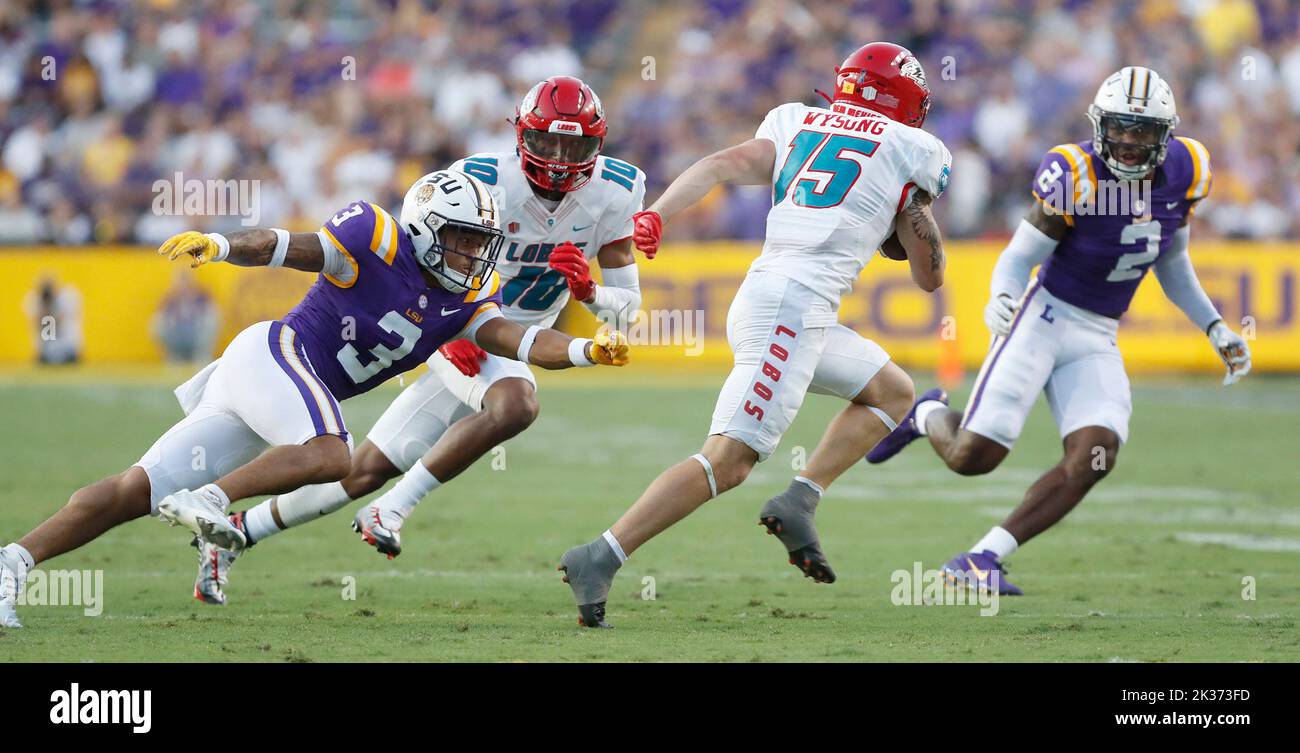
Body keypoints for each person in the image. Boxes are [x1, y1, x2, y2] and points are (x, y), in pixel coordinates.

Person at [0, 169, 630, 628]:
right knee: (334, 454)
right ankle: (212, 503)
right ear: (426, 228)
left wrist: (586, 350)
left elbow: (516, 340)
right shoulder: (377, 237)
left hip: (281, 389)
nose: (472, 254)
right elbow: (288, 246)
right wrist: (221, 246)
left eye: (479, 243)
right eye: (462, 239)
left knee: (135, 489)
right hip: (276, 356)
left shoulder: (467, 296)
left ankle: (12, 563)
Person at [187, 76, 647, 606]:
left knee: (365, 470)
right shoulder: (480, 180)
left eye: (577, 145)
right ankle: (394, 509)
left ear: (600, 143)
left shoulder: (617, 189)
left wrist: (589, 293)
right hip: (460, 321)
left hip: (516, 336)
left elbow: (627, 310)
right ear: (523, 135)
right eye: (549, 142)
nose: (562, 158)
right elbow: (424, 250)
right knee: (516, 403)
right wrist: (447, 325)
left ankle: (238, 533)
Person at [558, 42, 953, 627]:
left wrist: (657, 215)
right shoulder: (915, 149)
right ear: (907, 102)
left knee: (893, 393)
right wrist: (913, 210)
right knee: (731, 460)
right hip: (792, 309)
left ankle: (800, 500)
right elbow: (928, 278)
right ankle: (600, 554)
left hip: (773, 299)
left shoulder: (797, 120)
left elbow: (720, 163)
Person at [866, 67, 1252, 595]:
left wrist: (1213, 325)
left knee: (1097, 453)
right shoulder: (1076, 172)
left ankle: (982, 557)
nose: (1130, 142)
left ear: (1166, 135)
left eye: (1142, 131)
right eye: (1120, 127)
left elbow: (1172, 260)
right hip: (1043, 318)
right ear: (1100, 124)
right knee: (972, 459)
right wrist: (1002, 295)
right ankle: (928, 413)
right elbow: (1020, 254)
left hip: (1096, 333)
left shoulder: (1187, 168)